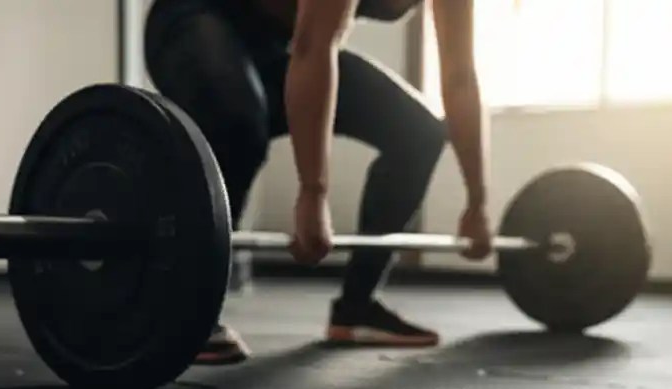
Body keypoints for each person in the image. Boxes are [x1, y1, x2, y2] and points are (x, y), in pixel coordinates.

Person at [145, 0, 493, 364]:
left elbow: (460, 77)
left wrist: (478, 202)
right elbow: (314, 47)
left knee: (418, 133)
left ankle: (356, 306)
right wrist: (313, 192)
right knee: (239, 123)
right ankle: (189, 310)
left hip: (277, 46)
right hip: (193, 19)